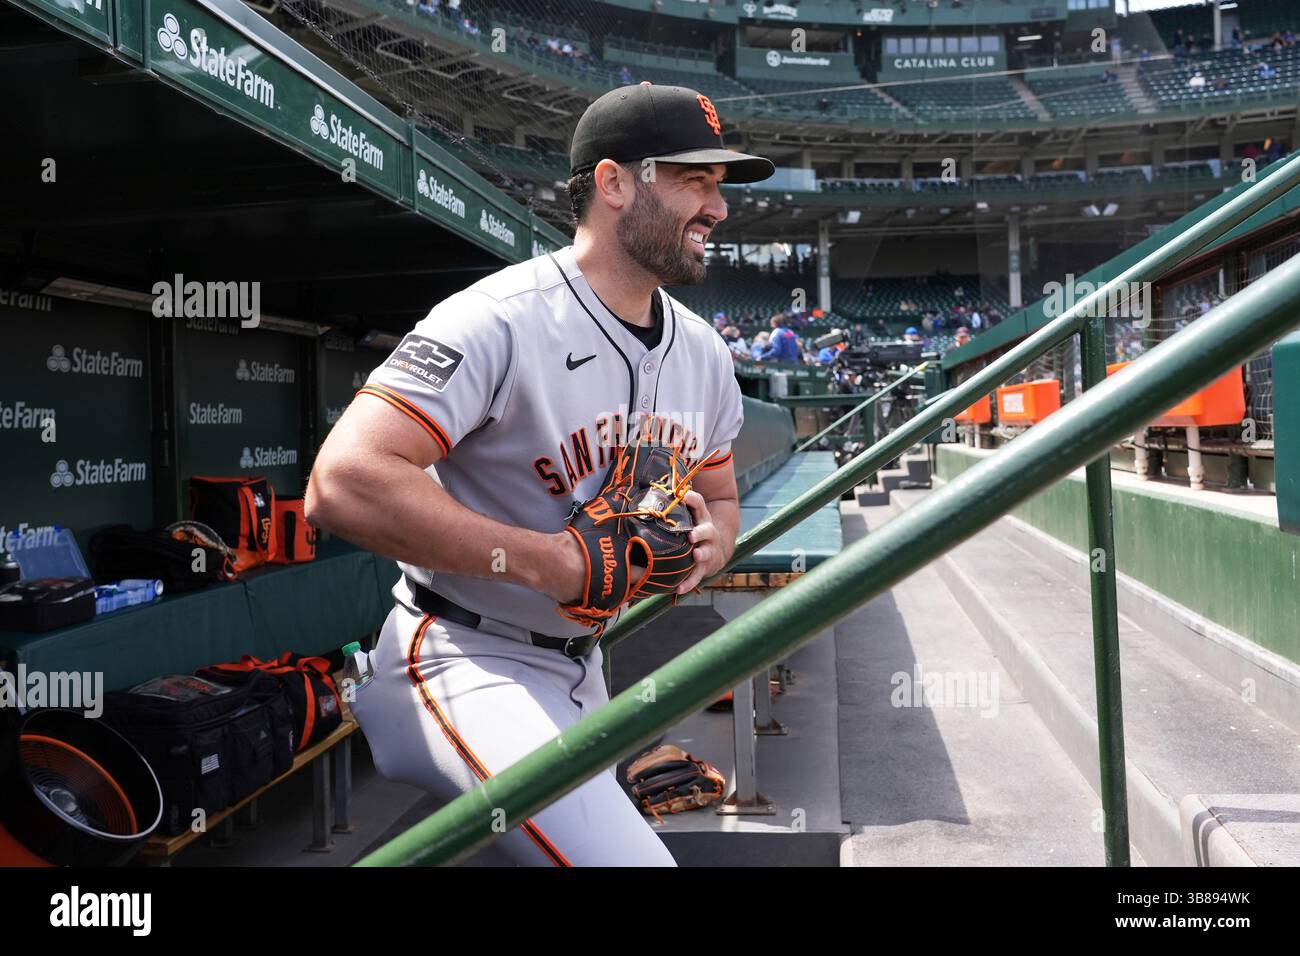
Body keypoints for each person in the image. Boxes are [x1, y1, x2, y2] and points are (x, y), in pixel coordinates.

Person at [306, 82, 774, 867]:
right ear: (615, 183)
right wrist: (545, 560)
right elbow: (344, 481)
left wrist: (712, 543)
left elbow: (720, 496)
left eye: (719, 186)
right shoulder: (498, 317)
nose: (718, 209)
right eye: (695, 180)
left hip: (579, 668)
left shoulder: (704, 354)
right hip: (458, 653)